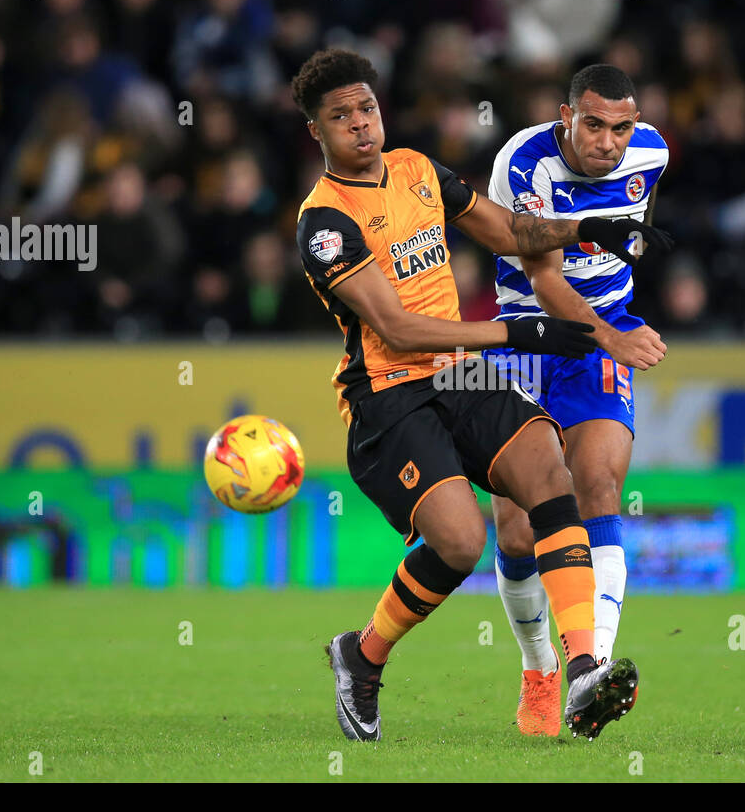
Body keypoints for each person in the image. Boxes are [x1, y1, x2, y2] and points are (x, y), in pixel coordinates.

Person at [287, 49, 672, 742]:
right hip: (389, 395)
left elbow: (510, 231)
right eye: (340, 117)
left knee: (549, 474)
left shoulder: (417, 170)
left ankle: (583, 665)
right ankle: (363, 653)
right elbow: (396, 328)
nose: (360, 126)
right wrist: (516, 328)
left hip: (459, 371)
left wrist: (588, 229)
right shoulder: (323, 224)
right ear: (317, 131)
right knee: (463, 542)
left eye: (366, 108)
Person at [479, 64, 670, 737]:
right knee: (514, 528)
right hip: (525, 338)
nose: (609, 142)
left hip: (596, 345)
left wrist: (610, 332)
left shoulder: (654, 153)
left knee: (598, 483)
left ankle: (592, 674)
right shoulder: (523, 162)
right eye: (594, 125)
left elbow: (625, 242)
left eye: (621, 127)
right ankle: (540, 670)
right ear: (566, 117)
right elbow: (545, 277)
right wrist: (614, 337)